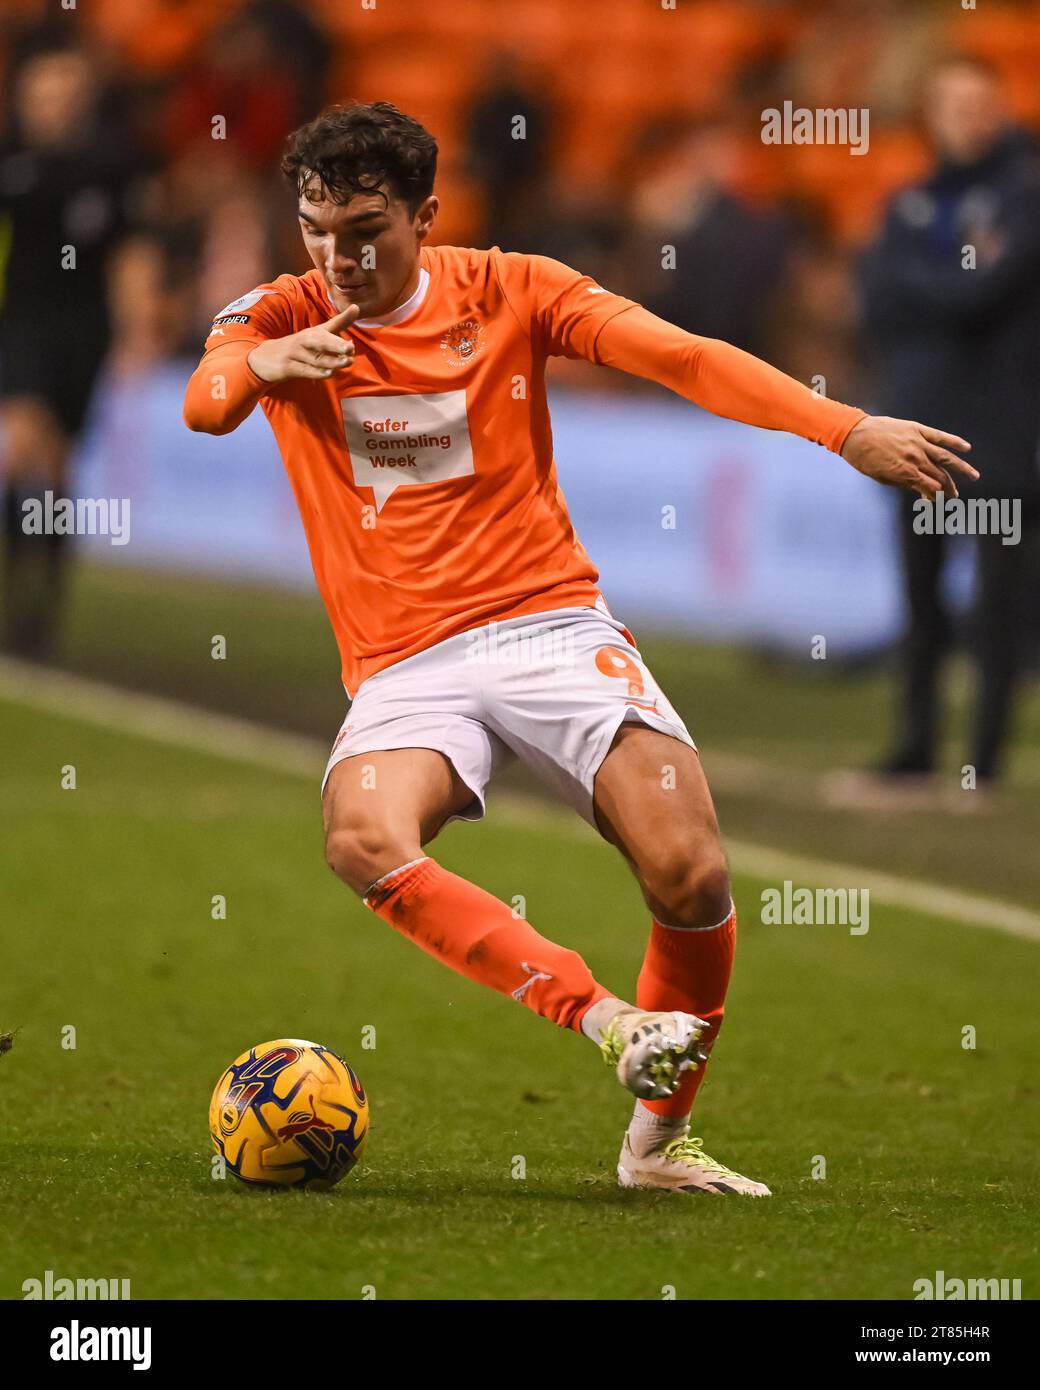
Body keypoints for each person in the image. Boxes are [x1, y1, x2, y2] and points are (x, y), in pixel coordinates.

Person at [184, 102, 975, 1197]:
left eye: (364, 228)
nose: (337, 256)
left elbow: (682, 357)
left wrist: (841, 429)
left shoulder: (511, 290)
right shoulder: (279, 312)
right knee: (362, 839)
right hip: (407, 665)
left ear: (425, 215)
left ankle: (657, 1143)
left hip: (546, 623)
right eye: (316, 227)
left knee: (690, 866)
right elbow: (205, 401)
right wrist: (268, 360)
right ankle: (603, 1018)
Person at [861, 54, 1040, 790]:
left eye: (978, 99)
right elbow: (875, 302)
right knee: (921, 594)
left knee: (999, 599)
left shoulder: (1024, 195)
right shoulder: (908, 201)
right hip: (915, 427)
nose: (966, 114)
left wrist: (918, 287)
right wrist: (941, 291)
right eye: (951, 101)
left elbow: (984, 292)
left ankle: (986, 758)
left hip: (997, 430)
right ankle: (916, 745)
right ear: (929, 114)